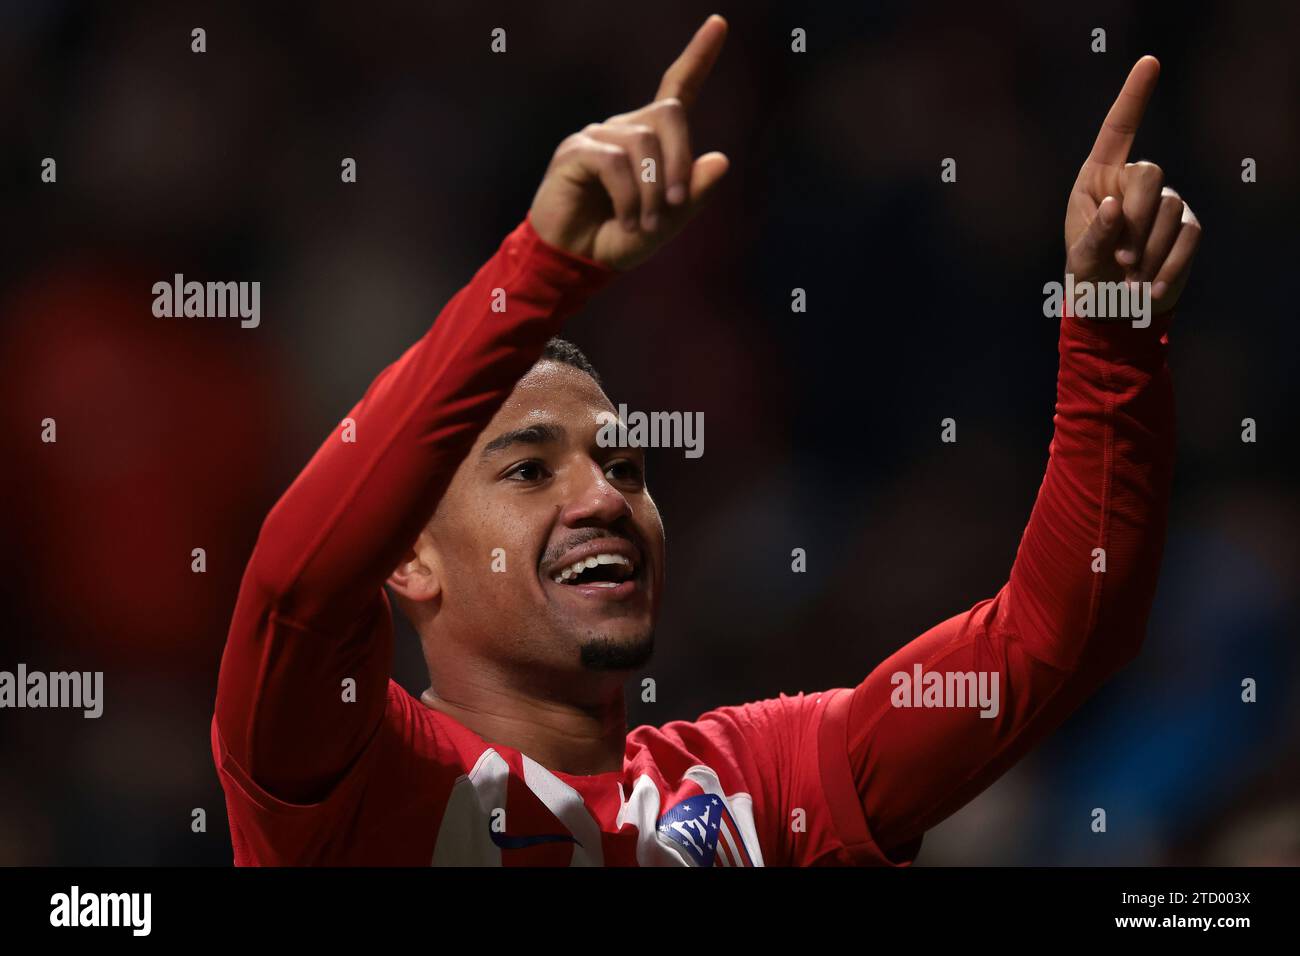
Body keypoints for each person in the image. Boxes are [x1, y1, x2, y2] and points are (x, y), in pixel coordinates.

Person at [212, 15, 1201, 865]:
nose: (604, 495)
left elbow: (1058, 633)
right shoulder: (349, 781)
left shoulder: (761, 784)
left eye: (625, 465)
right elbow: (299, 588)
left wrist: (1110, 331)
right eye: (526, 466)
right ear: (410, 559)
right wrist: (541, 263)